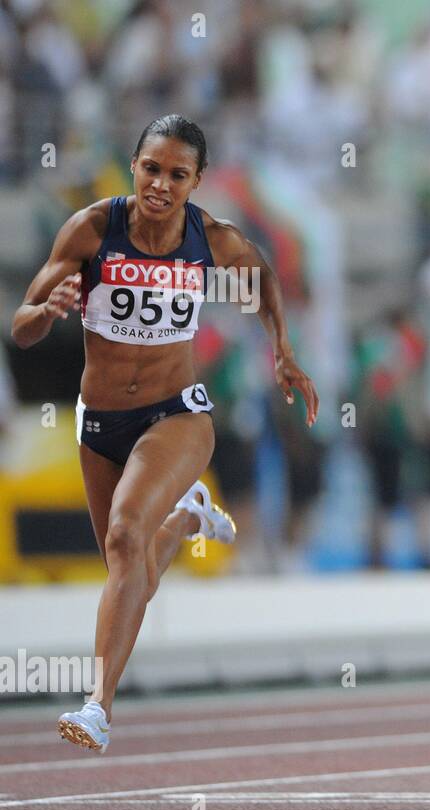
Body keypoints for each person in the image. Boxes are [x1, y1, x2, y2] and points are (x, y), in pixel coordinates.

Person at [10, 114, 319, 753]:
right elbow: (21, 326)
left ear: (196, 180)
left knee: (126, 534)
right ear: (134, 166)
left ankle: (97, 707)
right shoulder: (92, 229)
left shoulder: (211, 238)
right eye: (151, 169)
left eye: (177, 175)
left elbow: (262, 276)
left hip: (176, 414)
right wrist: (47, 310)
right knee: (134, 573)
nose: (160, 185)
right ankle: (187, 519)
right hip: (101, 423)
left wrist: (283, 350)